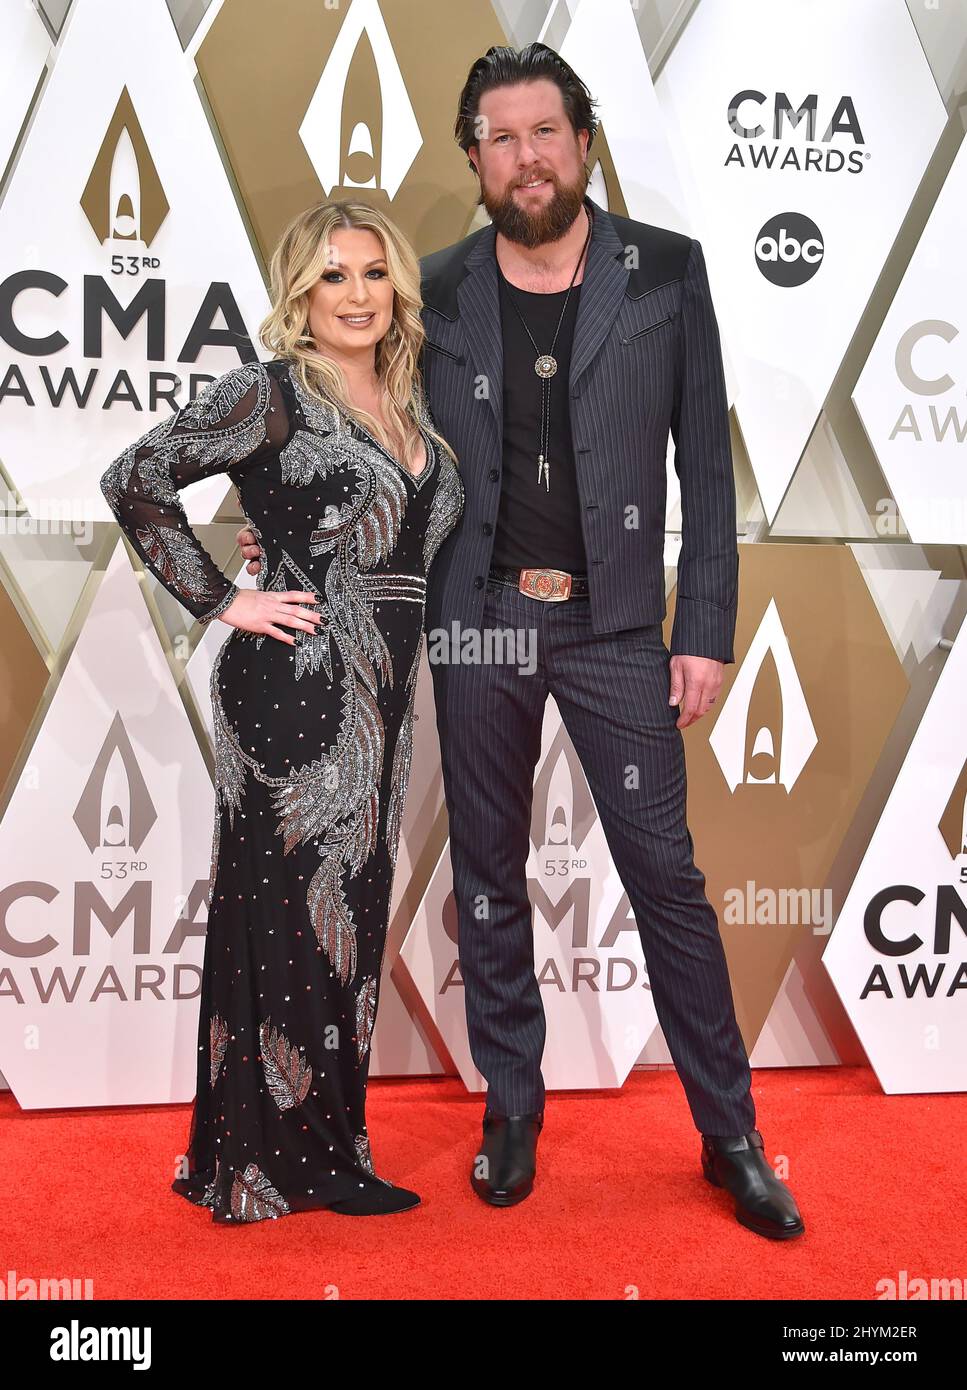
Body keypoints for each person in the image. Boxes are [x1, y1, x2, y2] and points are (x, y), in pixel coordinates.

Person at [239, 43, 805, 1241]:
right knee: (489, 877)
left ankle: (733, 1135)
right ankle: (511, 1106)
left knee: (669, 880)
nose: (525, 157)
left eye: (544, 132)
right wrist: (278, 538)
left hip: (612, 632)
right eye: (499, 138)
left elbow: (706, 463)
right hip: (481, 619)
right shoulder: (432, 290)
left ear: (583, 144)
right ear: (474, 159)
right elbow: (351, 413)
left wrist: (700, 628)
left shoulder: (666, 274)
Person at [100, 201, 463, 1223]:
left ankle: (310, 1145)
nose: (356, 294)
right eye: (333, 276)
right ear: (299, 294)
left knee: (346, 915)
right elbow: (136, 478)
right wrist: (226, 596)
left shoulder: (407, 397)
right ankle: (293, 1161)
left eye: (373, 274)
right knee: (299, 916)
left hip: (385, 696)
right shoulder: (268, 394)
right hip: (295, 686)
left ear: (398, 288)